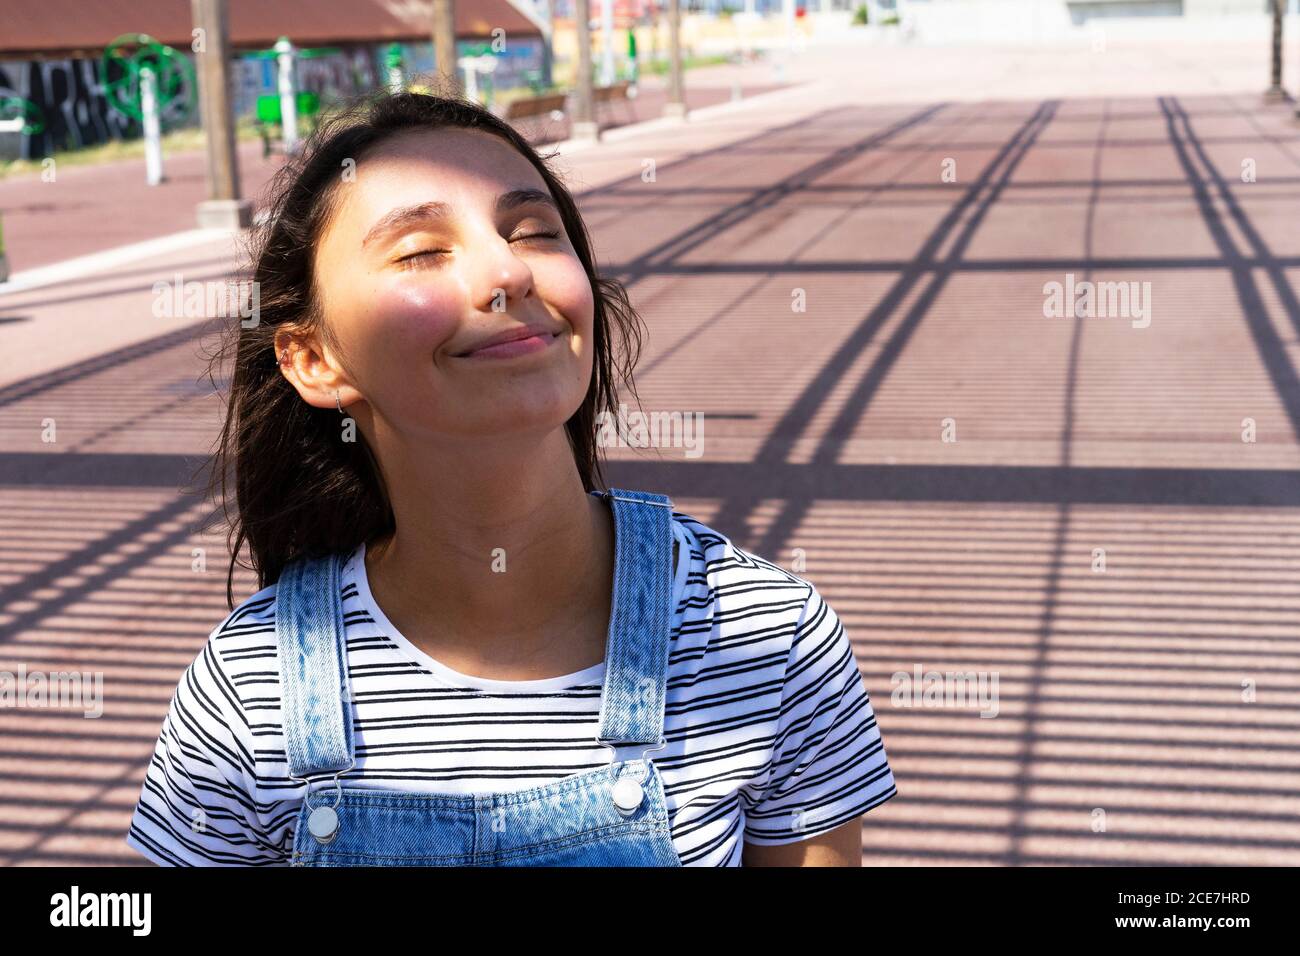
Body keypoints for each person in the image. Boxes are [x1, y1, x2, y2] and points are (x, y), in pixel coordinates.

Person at [124, 91, 896, 867]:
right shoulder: (248, 691)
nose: (505, 272)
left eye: (532, 232)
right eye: (421, 251)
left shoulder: (765, 634)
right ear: (314, 360)